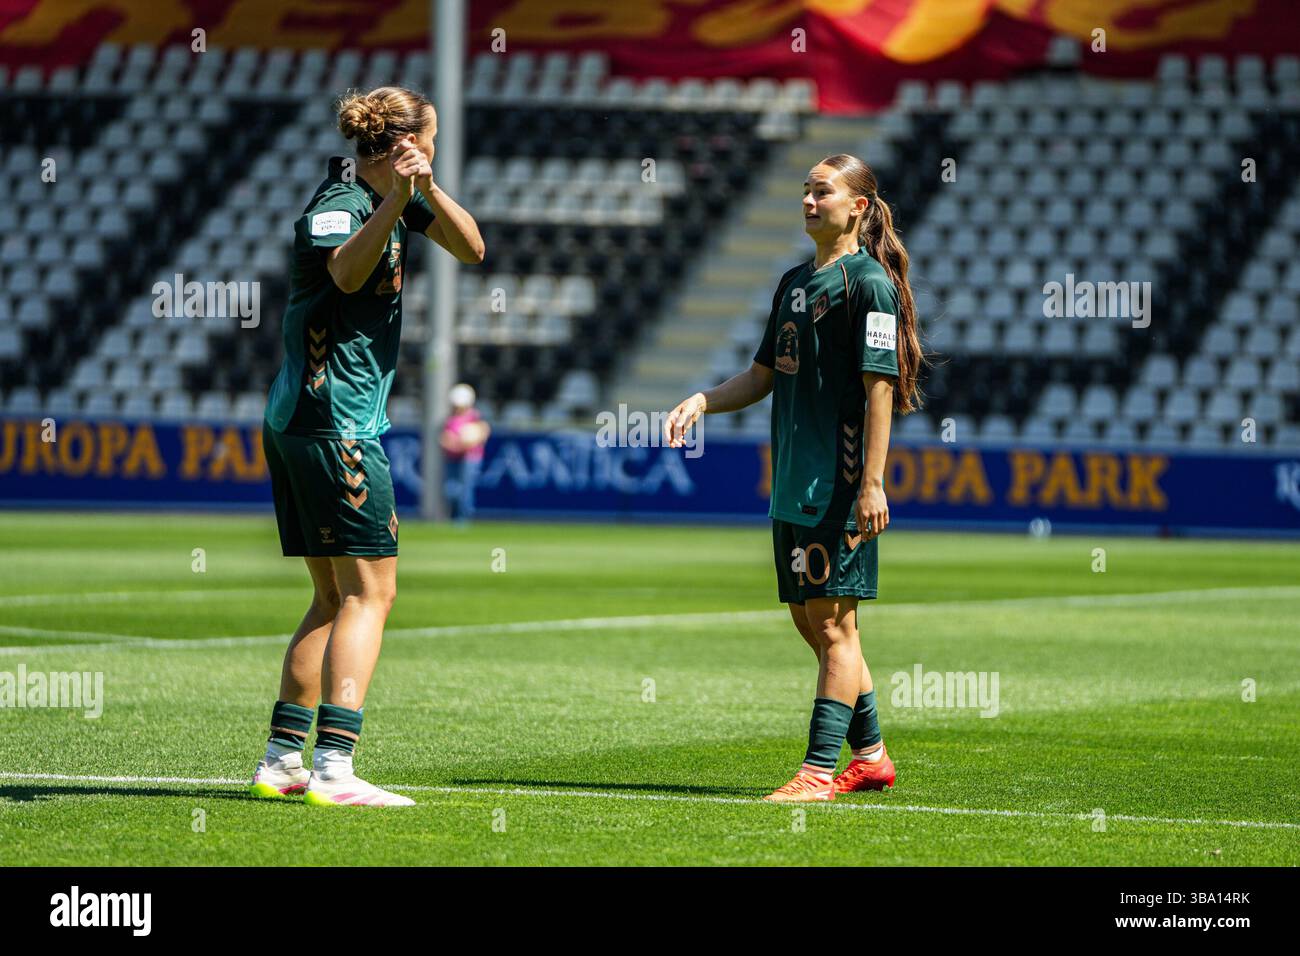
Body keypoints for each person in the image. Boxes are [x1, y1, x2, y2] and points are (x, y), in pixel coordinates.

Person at [251, 86, 484, 807]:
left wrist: (426, 190)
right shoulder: (342, 200)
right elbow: (345, 272)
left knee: (330, 596)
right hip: (333, 423)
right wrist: (393, 203)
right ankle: (334, 769)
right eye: (433, 139)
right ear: (405, 138)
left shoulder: (399, 195)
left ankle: (283, 760)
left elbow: (473, 248)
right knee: (370, 595)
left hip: (312, 422)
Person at [664, 153, 923, 802]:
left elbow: (880, 390)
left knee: (835, 627)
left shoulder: (870, 286)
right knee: (814, 624)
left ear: (857, 206)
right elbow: (760, 376)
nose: (809, 201)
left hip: (838, 483)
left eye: (822, 191)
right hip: (792, 485)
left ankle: (815, 772)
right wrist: (702, 400)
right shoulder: (792, 283)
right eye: (805, 191)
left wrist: (872, 482)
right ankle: (871, 756)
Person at [440, 382, 490, 522]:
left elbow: (482, 433)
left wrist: (462, 443)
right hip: (452, 458)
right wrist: (455, 444)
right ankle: (453, 516)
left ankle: (463, 518)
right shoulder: (450, 419)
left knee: (465, 490)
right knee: (450, 489)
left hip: (469, 458)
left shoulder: (475, 417)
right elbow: (445, 438)